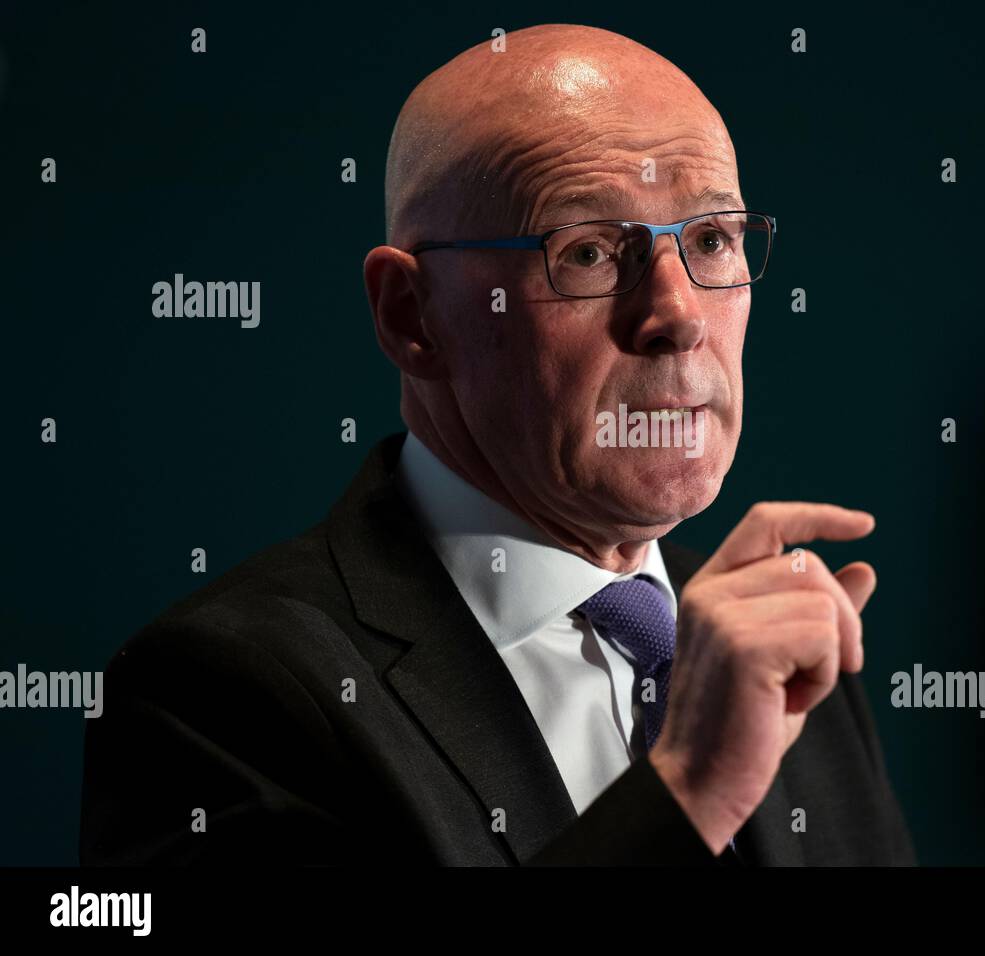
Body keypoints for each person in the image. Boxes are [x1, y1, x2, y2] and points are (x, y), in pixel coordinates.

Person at [80, 23, 915, 866]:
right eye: (588, 252)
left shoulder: (772, 643)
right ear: (411, 316)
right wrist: (690, 788)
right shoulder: (224, 693)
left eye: (710, 240)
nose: (679, 315)